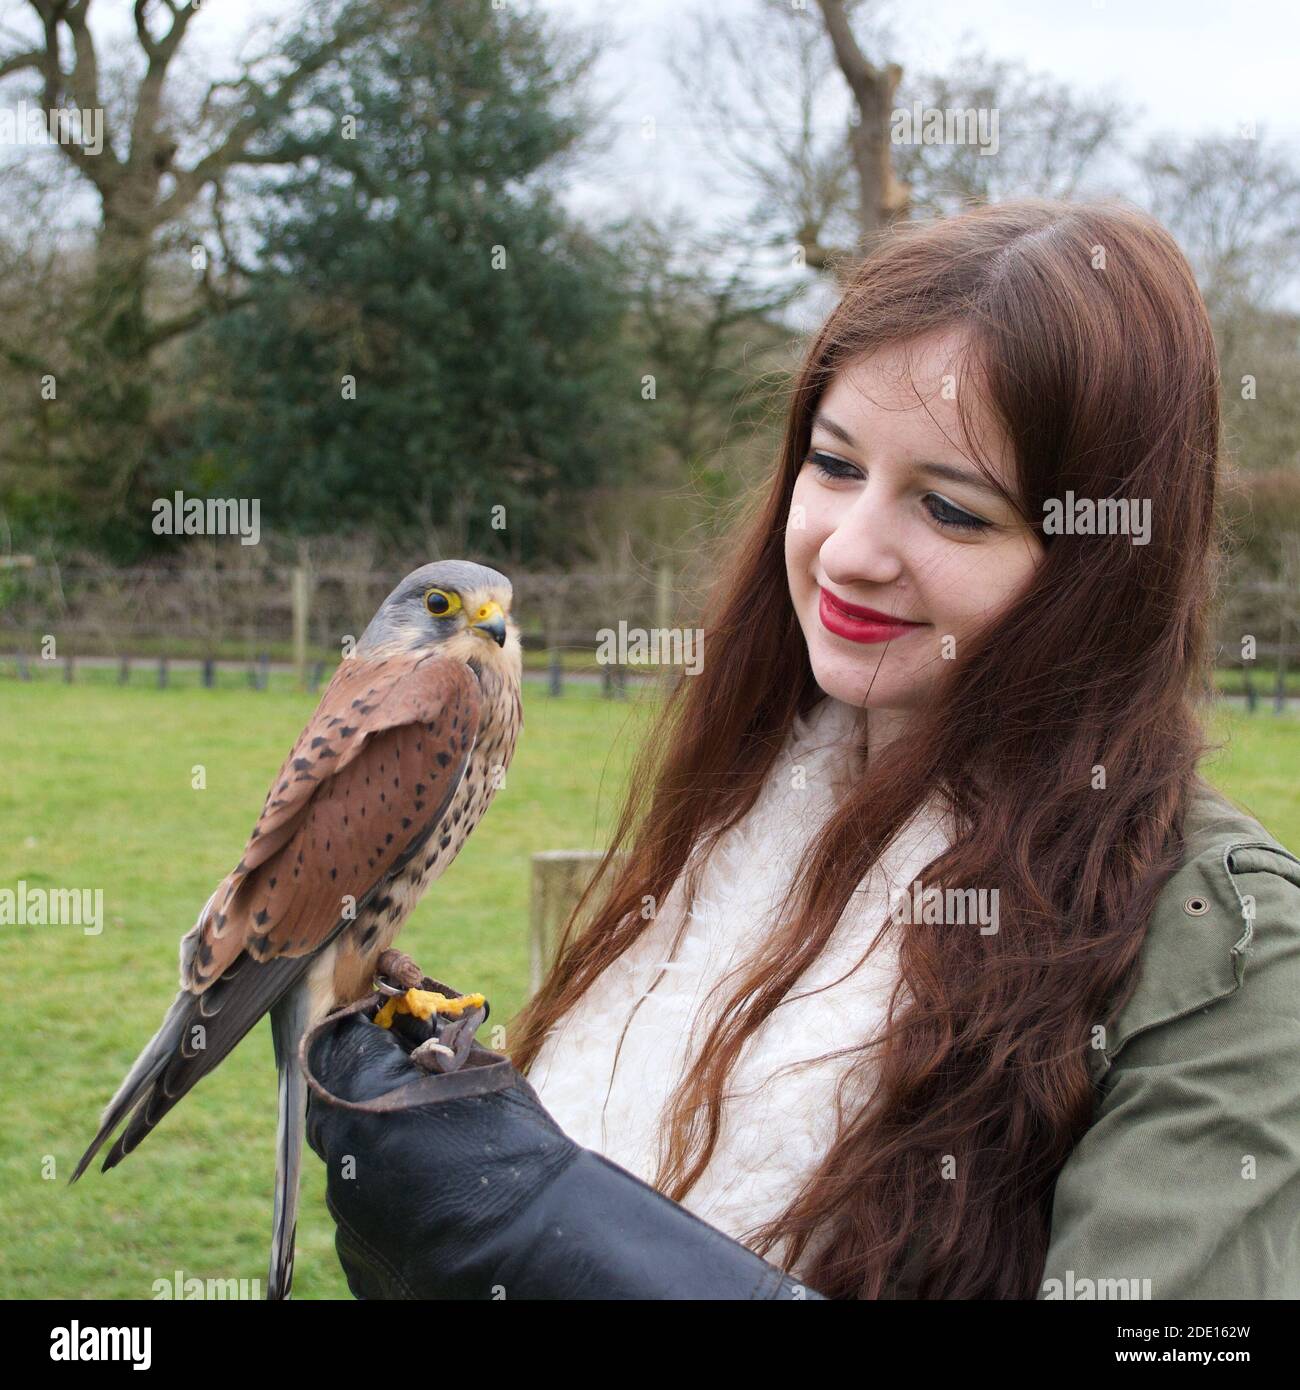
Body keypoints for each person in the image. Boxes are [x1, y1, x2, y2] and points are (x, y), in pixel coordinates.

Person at [305, 198, 1300, 1300]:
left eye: (954, 511)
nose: (850, 549)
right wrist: (425, 1209)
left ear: (1098, 561)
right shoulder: (743, 809)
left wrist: (542, 1226)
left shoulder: (1229, 946)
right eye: (832, 465)